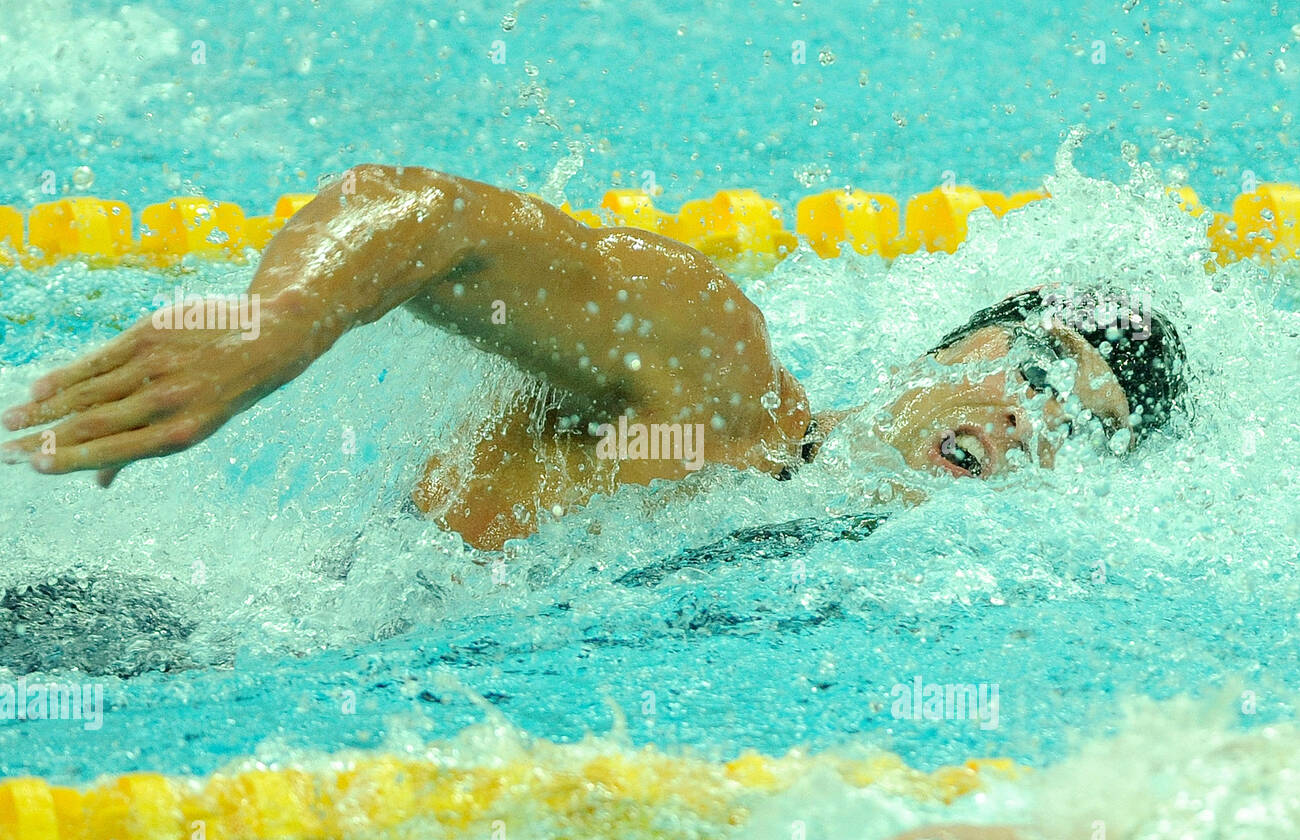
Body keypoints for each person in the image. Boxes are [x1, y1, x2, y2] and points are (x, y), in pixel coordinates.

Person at [1, 165, 1189, 551]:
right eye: (1038, 370)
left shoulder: (824, 552)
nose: (1034, 420)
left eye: (1078, 430)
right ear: (962, 343)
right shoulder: (719, 388)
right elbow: (419, 213)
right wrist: (276, 325)